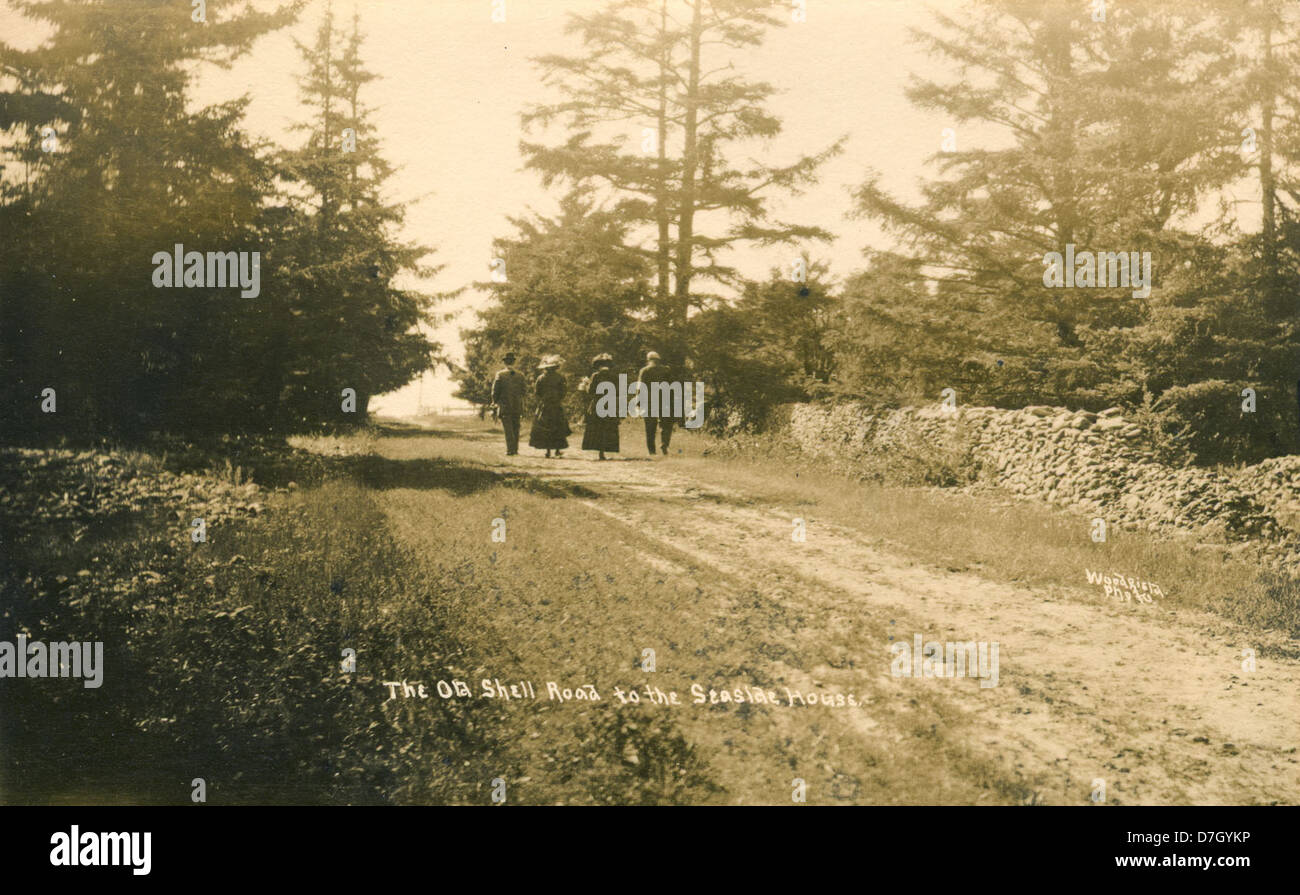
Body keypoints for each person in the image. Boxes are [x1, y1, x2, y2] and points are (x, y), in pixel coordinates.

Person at [528, 356, 571, 457]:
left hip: (545, 405)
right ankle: (557, 450)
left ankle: (547, 451)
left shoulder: (540, 378)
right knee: (558, 427)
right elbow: (564, 391)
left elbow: (537, 392)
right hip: (556, 405)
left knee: (545, 427)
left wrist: (542, 399)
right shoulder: (560, 377)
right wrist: (559, 399)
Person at [581, 353, 620, 460]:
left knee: (597, 427)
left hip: (598, 403)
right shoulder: (614, 376)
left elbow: (591, 391)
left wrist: (585, 385)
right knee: (608, 427)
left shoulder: (596, 376)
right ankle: (603, 452)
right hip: (610, 404)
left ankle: (600, 452)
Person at [637, 350, 674, 456]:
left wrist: (638, 402)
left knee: (650, 427)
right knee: (666, 425)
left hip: (649, 402)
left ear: (648, 360)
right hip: (664, 400)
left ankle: (652, 451)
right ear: (658, 360)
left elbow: (640, 387)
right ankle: (664, 443)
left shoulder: (644, 370)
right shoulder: (666, 370)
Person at [490, 352, 525, 455]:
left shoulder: (500, 374)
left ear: (505, 362)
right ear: (513, 362)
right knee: (516, 427)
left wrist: (494, 401)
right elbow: (524, 390)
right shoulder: (520, 375)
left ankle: (510, 450)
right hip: (517, 405)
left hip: (505, 405)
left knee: (508, 428)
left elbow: (495, 390)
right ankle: (515, 449)